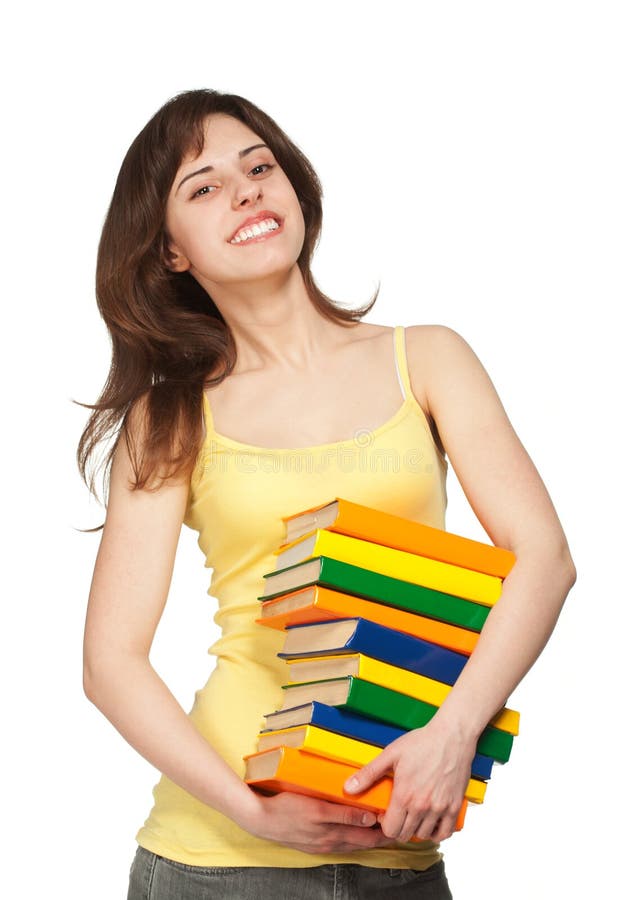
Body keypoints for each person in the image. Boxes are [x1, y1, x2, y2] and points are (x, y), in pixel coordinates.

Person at [79, 89, 576, 900]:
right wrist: (250, 811)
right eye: (202, 187)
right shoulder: (170, 416)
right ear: (171, 251)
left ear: (294, 190)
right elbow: (110, 663)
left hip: (402, 850)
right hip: (216, 864)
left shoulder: (428, 359)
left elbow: (544, 559)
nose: (244, 190)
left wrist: (452, 738)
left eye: (259, 166)